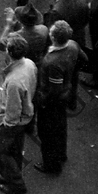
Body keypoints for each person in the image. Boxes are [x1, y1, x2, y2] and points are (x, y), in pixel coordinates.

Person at [0, 33, 37, 194]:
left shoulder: (14, 81)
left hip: (13, 123)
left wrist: (5, 125)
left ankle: (16, 184)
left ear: (9, 52)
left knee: (2, 153)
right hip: (25, 117)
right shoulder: (29, 64)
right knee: (15, 150)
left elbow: (13, 109)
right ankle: (8, 176)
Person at [34, 20, 81, 175]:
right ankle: (61, 154)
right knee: (60, 127)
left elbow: (54, 90)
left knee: (47, 133)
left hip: (52, 101)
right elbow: (83, 60)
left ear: (53, 37)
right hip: (65, 95)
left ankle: (51, 165)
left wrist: (42, 100)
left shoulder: (52, 62)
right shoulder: (73, 46)